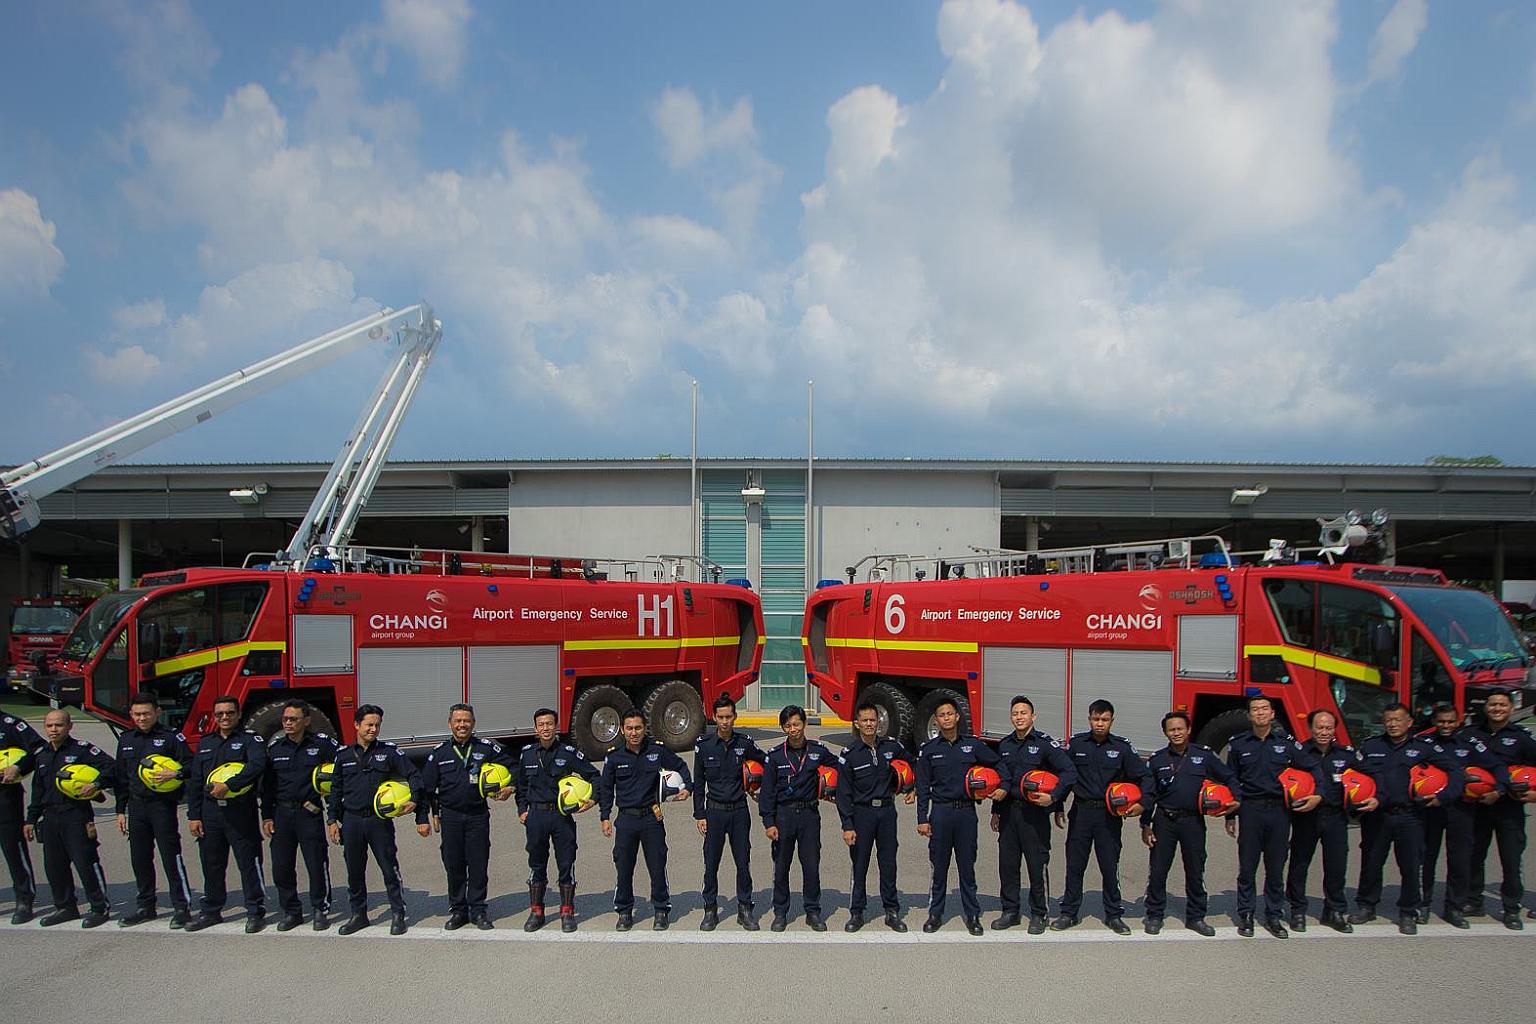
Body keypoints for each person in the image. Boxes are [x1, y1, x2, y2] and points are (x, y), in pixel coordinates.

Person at [1350, 702, 1463, 934]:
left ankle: (1408, 911)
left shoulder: (1424, 748)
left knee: (1411, 866)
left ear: (1409, 722)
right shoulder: (1371, 746)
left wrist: (1443, 797)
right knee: (1371, 863)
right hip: (1377, 815)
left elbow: (1455, 772)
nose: (1392, 724)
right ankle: (1366, 906)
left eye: (1398, 719)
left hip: (1410, 815)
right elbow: (1353, 773)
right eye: (1389, 720)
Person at [1224, 694, 1323, 938]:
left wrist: (1318, 794)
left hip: (1279, 810)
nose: (1259, 713)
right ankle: (1246, 915)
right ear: (1249, 715)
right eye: (1255, 709)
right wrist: (1231, 813)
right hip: (1250, 810)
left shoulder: (1286, 743)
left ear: (1272, 714)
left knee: (1275, 867)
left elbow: (1313, 767)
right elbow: (1231, 779)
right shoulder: (1238, 744)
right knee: (1247, 867)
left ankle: (1273, 915)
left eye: (1264, 709)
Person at [1051, 699, 1150, 934]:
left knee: (1109, 865)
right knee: (1075, 865)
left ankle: (1114, 914)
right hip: (1081, 812)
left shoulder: (1122, 748)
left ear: (1111, 721)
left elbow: (1144, 777)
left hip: (1109, 815)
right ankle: (1069, 913)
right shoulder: (1076, 745)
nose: (1099, 724)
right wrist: (1057, 806)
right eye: (1096, 719)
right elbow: (1065, 776)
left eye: (1104, 720)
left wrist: (1142, 804)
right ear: (1089, 719)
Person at [415, 703, 517, 930]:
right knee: (454, 865)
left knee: (478, 864)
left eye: (466, 720)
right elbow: (426, 789)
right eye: (458, 721)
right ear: (450, 723)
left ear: (473, 723)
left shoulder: (486, 748)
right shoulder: (439, 753)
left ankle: (478, 910)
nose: (462, 725)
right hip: (450, 817)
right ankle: (458, 910)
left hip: (477, 816)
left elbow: (515, 768)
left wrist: (510, 787)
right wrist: (426, 815)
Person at [1140, 710, 1238, 936]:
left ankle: (1196, 917)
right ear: (1165, 732)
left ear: (1188, 730)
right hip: (1164, 820)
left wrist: (1234, 804)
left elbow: (1229, 777)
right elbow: (1149, 794)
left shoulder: (1203, 756)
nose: (1176, 733)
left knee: (1195, 870)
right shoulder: (1157, 760)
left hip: (1193, 821)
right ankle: (1154, 915)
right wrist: (1145, 825)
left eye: (1179, 729)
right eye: (1171, 729)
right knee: (1158, 870)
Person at [327, 704, 420, 936]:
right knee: (354, 872)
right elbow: (335, 790)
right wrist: (332, 820)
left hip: (378, 822)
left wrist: (414, 799)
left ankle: (398, 913)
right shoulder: (343, 755)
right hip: (352, 821)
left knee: (389, 869)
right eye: (369, 725)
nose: (373, 729)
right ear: (357, 725)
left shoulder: (388, 752)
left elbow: (413, 774)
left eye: (377, 725)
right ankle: (359, 915)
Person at [915, 696, 1002, 935]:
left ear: (957, 716)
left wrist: (998, 787)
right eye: (941, 715)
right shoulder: (929, 750)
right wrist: (922, 818)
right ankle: (935, 914)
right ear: (937, 720)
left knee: (967, 866)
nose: (946, 718)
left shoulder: (972, 746)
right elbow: (922, 787)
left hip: (966, 813)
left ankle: (972, 914)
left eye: (950, 714)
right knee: (939, 866)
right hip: (940, 813)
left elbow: (998, 765)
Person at [599, 710, 691, 931]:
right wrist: (605, 817)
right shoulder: (614, 756)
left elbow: (681, 766)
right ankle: (624, 911)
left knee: (657, 865)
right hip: (626, 819)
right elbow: (605, 788)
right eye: (629, 728)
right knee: (624, 866)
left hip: (652, 817)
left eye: (638, 728)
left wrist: (688, 787)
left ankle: (661, 910)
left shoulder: (657, 750)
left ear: (644, 729)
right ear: (622, 730)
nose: (634, 733)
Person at [990, 695, 1074, 934]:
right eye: (1015, 713)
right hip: (1009, 813)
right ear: (1011, 717)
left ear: (1033, 716)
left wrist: (1055, 798)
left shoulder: (1045, 744)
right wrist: (996, 811)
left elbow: (1068, 771)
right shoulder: (1004, 745)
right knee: (1008, 864)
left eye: (1023, 713)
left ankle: (1039, 913)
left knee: (1037, 864)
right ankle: (1010, 911)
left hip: (1034, 813)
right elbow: (1002, 780)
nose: (1019, 717)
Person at [24, 709, 115, 927]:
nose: (54, 729)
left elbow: (111, 766)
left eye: (59, 725)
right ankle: (65, 907)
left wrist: (96, 784)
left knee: (85, 862)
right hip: (50, 818)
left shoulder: (81, 749)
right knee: (54, 866)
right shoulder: (42, 755)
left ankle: (99, 907)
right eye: (49, 726)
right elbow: (38, 789)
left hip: (76, 815)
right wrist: (30, 818)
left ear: (69, 726)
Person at [185, 695, 268, 933]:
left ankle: (255, 912)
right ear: (214, 716)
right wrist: (194, 815)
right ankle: (211, 910)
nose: (225, 717)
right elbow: (196, 781)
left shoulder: (250, 741)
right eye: (220, 713)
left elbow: (257, 766)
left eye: (230, 713)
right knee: (211, 864)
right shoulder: (206, 743)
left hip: (240, 812)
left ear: (238, 714)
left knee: (249, 862)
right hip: (210, 814)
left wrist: (230, 785)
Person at [113, 691, 194, 928]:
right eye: (137, 714)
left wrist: (176, 773)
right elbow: (121, 779)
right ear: (131, 714)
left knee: (171, 857)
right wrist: (120, 810)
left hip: (162, 806)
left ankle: (182, 907)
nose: (142, 718)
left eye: (146, 713)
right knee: (140, 859)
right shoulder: (126, 739)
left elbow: (191, 765)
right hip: (136, 808)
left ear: (157, 712)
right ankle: (145, 906)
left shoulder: (171, 738)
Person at [1420, 702, 1504, 929]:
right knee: (1426, 859)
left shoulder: (1470, 742)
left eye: (1450, 722)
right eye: (1441, 722)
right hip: (1431, 809)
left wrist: (1499, 790)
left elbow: (1497, 766)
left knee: (1460, 860)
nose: (1445, 726)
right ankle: (1423, 904)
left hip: (1462, 809)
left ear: (1458, 721)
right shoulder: (1423, 743)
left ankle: (1455, 907)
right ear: (1433, 722)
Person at [836, 701, 915, 933]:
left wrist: (912, 787)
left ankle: (891, 911)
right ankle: (857, 912)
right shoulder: (849, 754)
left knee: (888, 863)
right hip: (862, 814)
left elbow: (915, 763)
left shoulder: (891, 747)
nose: (869, 724)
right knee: (859, 864)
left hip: (887, 813)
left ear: (878, 722)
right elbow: (843, 794)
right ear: (857, 723)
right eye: (865, 720)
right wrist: (847, 825)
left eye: (873, 720)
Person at [516, 707, 598, 932]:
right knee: (536, 863)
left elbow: (594, 776)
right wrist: (522, 810)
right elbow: (521, 786)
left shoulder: (568, 753)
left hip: (561, 816)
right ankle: (536, 911)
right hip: (536, 816)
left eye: (549, 724)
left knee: (566, 862)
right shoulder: (527, 754)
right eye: (541, 724)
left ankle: (567, 911)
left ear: (556, 727)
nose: (545, 728)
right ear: (535, 728)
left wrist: (592, 799)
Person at [1460, 688, 1536, 928]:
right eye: (1493, 704)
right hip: (1477, 806)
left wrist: (1533, 794)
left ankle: (1511, 907)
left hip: (1509, 808)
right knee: (1474, 856)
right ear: (1485, 707)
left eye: (1502, 705)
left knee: (1511, 859)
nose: (1497, 709)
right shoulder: (1470, 735)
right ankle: (1474, 900)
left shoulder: (1522, 737)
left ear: (1511, 709)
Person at [261, 698, 338, 931]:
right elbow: (267, 787)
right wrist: (266, 816)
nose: (288, 723)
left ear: (306, 720)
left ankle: (320, 909)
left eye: (293, 719)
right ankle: (291, 911)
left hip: (309, 812)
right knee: (282, 867)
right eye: (285, 719)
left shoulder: (322, 746)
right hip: (282, 813)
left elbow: (339, 776)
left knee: (316, 863)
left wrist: (333, 816)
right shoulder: (275, 749)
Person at [693, 694, 766, 931]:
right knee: (711, 863)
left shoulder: (744, 744)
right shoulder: (704, 746)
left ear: (735, 717)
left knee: (743, 862)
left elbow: (766, 763)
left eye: (729, 716)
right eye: (721, 717)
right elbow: (698, 783)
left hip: (739, 812)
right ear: (714, 718)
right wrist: (699, 815)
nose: (725, 721)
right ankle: (710, 908)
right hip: (714, 812)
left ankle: (745, 908)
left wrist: (758, 786)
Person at [1284, 709, 1358, 933]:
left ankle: (1334, 910)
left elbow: (1363, 780)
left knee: (1336, 865)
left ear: (1334, 729)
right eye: (1319, 727)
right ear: (1310, 728)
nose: (1324, 732)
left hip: (1335, 816)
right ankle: (1297, 909)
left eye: (1328, 727)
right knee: (1299, 864)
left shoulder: (1347, 755)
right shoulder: (1299, 753)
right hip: (1306, 817)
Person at [760, 704, 831, 932]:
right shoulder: (774, 756)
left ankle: (813, 911)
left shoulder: (818, 751)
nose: (793, 729)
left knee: (811, 865)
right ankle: (780, 912)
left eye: (797, 724)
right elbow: (767, 792)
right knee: (781, 866)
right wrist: (768, 822)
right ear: (783, 727)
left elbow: (843, 769)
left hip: (809, 815)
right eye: (788, 725)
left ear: (804, 724)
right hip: (784, 816)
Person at [1, 710, 45, 924]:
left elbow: (39, 748)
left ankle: (24, 898)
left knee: (13, 849)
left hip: (5, 798)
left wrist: (18, 767)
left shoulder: (10, 724)